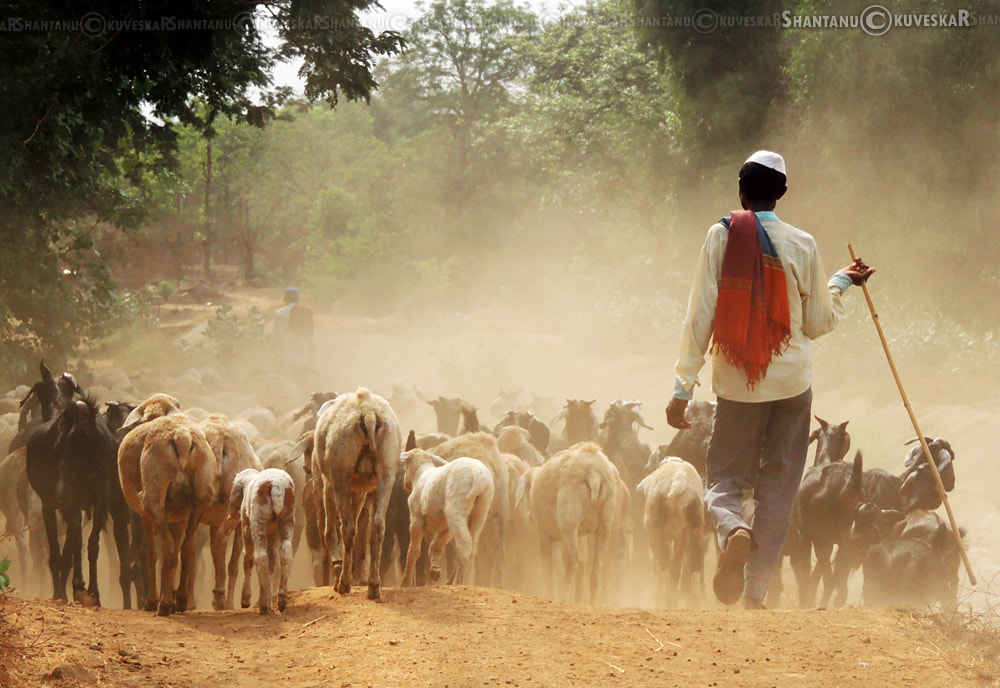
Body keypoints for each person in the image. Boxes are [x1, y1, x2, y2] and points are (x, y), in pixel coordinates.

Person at [665, 150, 874, 609]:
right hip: (792, 387)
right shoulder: (803, 243)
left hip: (737, 386)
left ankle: (732, 528)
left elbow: (699, 316)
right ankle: (756, 590)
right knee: (779, 487)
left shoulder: (721, 235)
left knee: (723, 479)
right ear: (781, 194)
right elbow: (818, 322)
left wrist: (683, 388)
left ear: (741, 190)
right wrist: (841, 282)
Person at [273, 286, 316, 370]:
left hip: (285, 358)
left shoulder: (280, 313)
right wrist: (311, 356)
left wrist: (276, 353)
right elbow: (312, 336)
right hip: (303, 358)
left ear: (285, 299)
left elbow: (277, 335)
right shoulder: (307, 312)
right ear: (298, 299)